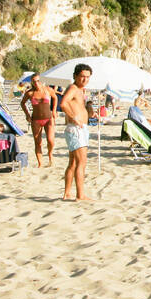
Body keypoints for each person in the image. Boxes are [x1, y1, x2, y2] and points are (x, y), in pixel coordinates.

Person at [61, 63, 93, 201]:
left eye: (87, 77)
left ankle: (67, 193)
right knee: (81, 162)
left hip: (79, 128)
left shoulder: (80, 90)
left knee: (73, 162)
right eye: (82, 77)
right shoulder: (73, 88)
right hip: (76, 129)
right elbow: (63, 103)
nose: (85, 80)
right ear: (75, 76)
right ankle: (80, 195)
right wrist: (74, 118)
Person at [20, 72, 58, 167]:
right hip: (36, 120)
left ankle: (50, 154)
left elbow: (55, 97)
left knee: (50, 140)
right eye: (34, 81)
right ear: (32, 83)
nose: (36, 83)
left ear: (41, 81)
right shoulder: (30, 93)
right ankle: (40, 163)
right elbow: (22, 103)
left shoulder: (48, 90)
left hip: (48, 118)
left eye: (38, 81)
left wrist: (54, 110)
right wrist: (27, 115)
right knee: (38, 142)